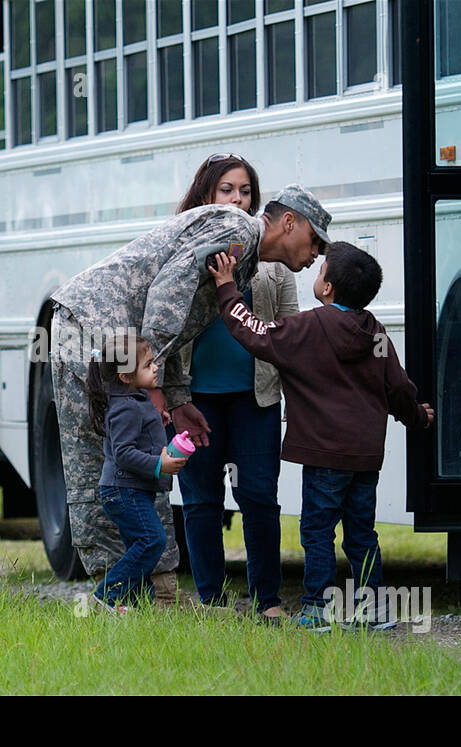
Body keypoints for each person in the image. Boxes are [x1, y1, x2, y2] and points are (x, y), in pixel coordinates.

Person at [49, 183, 327, 606]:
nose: (315, 257)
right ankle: (119, 595)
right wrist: (154, 382)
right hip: (93, 330)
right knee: (100, 464)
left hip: (121, 344)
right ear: (289, 223)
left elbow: (183, 321)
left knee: (138, 461)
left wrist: (177, 398)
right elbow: (167, 294)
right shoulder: (238, 230)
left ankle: (144, 593)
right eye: (315, 242)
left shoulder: (245, 258)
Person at [209, 242, 435, 630]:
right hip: (364, 458)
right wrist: (417, 417)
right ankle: (375, 610)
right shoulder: (375, 333)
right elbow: (398, 388)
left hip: (323, 457)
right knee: (362, 533)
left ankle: (318, 608)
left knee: (317, 532)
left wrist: (227, 287)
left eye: (319, 271)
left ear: (327, 288)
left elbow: (255, 334)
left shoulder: (309, 327)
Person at [172, 156, 314, 621]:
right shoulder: (184, 255)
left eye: (246, 192)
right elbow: (167, 332)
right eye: (227, 191)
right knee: (201, 500)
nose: (237, 200)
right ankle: (211, 599)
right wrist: (171, 398)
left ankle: (267, 600)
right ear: (206, 197)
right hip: (197, 398)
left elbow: (292, 337)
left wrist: (300, 404)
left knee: (258, 496)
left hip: (258, 398)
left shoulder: (272, 266)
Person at [85, 333, 188, 611]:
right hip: (123, 491)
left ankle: (134, 605)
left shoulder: (136, 399)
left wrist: (157, 422)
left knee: (139, 546)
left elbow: (139, 435)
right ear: (125, 376)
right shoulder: (125, 409)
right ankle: (103, 597)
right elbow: (123, 453)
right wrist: (160, 465)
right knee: (152, 540)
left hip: (132, 490)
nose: (155, 368)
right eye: (148, 365)